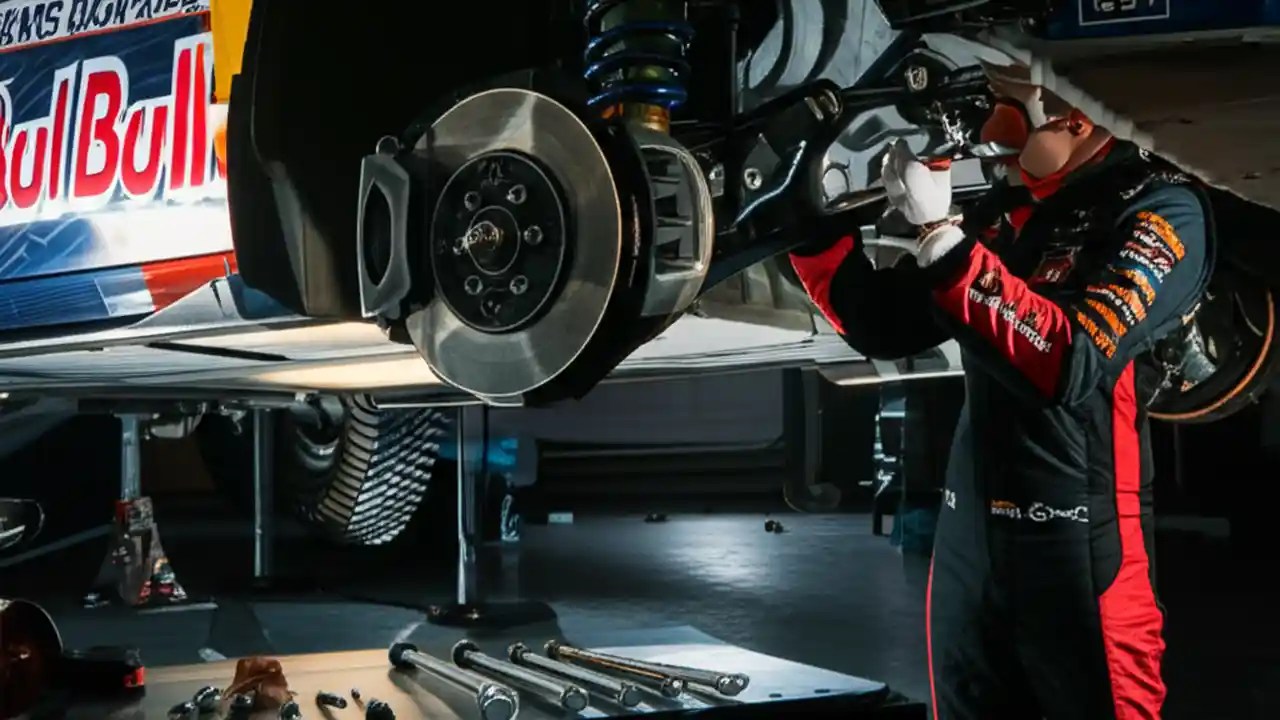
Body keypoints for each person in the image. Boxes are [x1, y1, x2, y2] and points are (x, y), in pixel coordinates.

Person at [790, 62, 1215, 719]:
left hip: (1079, 547)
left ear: (1075, 111)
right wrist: (809, 219)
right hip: (969, 544)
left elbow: (1069, 363)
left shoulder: (1162, 210)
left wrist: (942, 241)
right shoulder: (1008, 212)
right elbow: (883, 322)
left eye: (1002, 104)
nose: (985, 124)